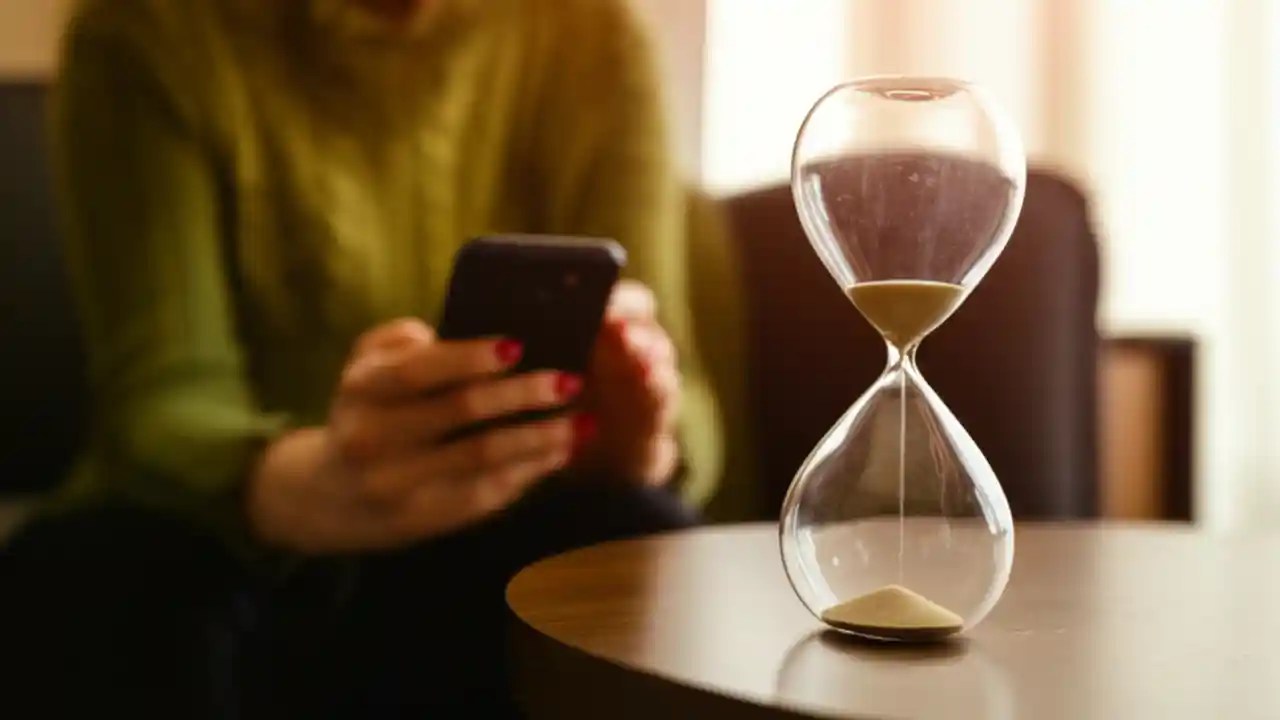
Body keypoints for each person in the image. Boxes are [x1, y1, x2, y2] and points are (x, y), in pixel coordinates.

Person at [0, 0, 724, 716]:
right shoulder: (142, 32)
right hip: (235, 536)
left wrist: (640, 440)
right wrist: (317, 480)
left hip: (507, 525)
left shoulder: (598, 33)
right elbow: (159, 408)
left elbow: (687, 400)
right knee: (118, 591)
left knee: (636, 539)